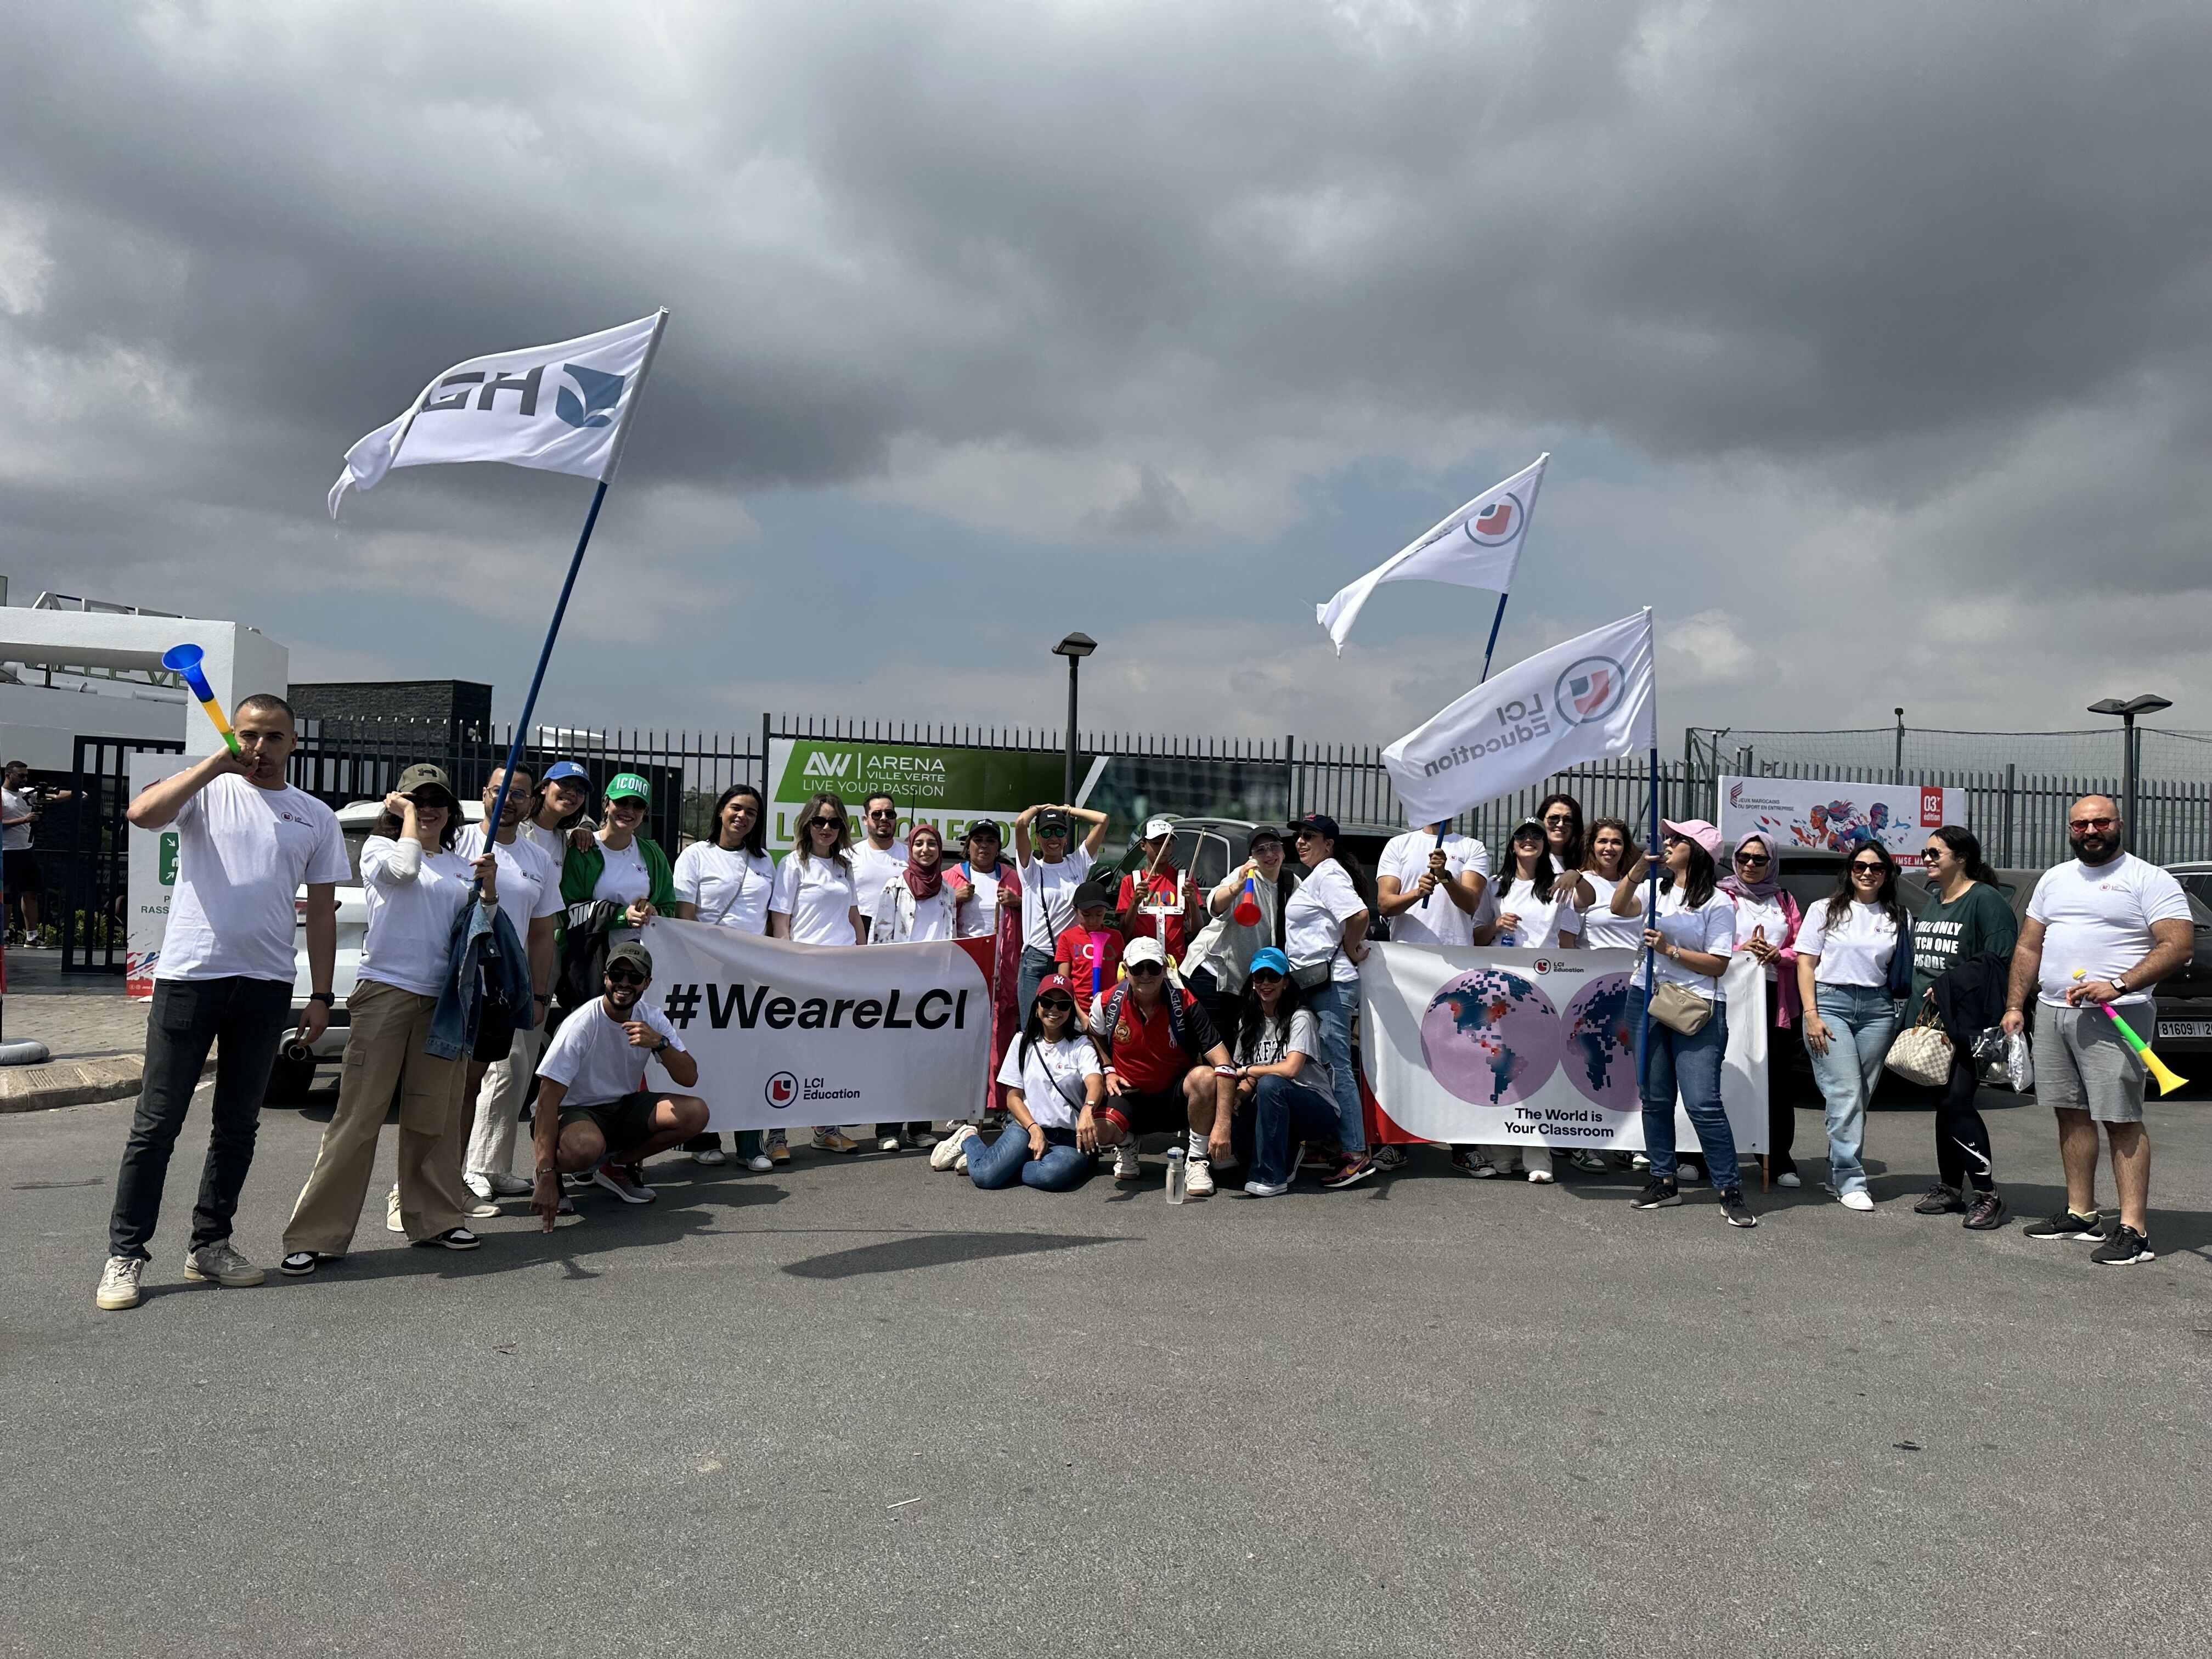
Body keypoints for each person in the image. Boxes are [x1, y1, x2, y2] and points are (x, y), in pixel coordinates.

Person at [96, 697, 347, 1312]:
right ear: (234, 737)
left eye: (273, 737)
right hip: (190, 978)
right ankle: (125, 1253)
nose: (260, 747)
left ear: (294, 744)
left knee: (237, 1126)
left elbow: (320, 912)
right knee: (156, 1124)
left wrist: (319, 993)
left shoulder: (314, 816)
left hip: (264, 986)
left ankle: (210, 1244)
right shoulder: (204, 791)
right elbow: (140, 813)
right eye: (249, 735)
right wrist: (215, 766)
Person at [279, 766, 500, 1275]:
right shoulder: (381, 849)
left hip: (442, 1002)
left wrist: (487, 889)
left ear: (450, 809)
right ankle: (316, 1235)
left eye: (437, 799)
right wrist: (401, 820)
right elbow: (402, 873)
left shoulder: (463, 863)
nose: (429, 807)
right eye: (417, 798)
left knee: (433, 1117)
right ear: (397, 801)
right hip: (385, 993)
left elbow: (480, 928)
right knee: (358, 1117)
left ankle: (437, 1219)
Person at [2004, 795, 2192, 1266]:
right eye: (2081, 824)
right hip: (2053, 1011)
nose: (2091, 830)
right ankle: (2082, 1213)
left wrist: (2119, 984)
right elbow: (2029, 946)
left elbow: (2179, 945)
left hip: (2117, 1016)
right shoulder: (2054, 879)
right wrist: (2015, 1005)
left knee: (2120, 1119)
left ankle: (2134, 1231)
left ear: (2119, 825)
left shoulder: (2148, 878)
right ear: (2070, 830)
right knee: (2070, 1113)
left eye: (2100, 822)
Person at [1614, 819, 1755, 1227]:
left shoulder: (1718, 902)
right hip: (1646, 997)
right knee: (1654, 1098)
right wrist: (1639, 867)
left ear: (1697, 851)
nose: (1668, 843)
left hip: (1696, 1006)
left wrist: (1670, 949)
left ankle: (1729, 1188)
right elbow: (1619, 907)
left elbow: (1719, 963)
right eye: (1669, 838)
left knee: (1702, 1103)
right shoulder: (1655, 889)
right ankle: (1664, 1180)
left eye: (1676, 839)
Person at [528, 940, 709, 1224]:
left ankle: (616, 1166)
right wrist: (547, 1173)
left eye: (634, 977)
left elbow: (689, 1078)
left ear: (646, 983)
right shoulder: (582, 1024)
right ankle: (552, 1172)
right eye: (617, 975)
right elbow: (547, 1102)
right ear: (606, 978)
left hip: (621, 1107)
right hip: (575, 1111)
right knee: (585, 1147)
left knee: (696, 1113)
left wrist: (660, 1044)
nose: (624, 984)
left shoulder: (652, 1019)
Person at [454, 765, 563, 1204]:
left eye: (519, 794)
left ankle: (472, 1174)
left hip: (504, 989)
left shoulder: (537, 858)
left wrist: (537, 995)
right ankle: (432, 1184)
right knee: (452, 1089)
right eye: (501, 792)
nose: (509, 801)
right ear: (485, 793)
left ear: (530, 802)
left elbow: (541, 933)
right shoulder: (456, 841)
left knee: (495, 1080)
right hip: (457, 984)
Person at [1910, 825, 2017, 1229]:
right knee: (1944, 1105)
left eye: (1936, 853)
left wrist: (1949, 986)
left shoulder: (1986, 901)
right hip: (1933, 1024)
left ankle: (1987, 1193)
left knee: (1958, 1102)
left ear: (1962, 858)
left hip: (1970, 1022)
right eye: (1925, 853)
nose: (1927, 859)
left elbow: (2000, 959)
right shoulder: (1936, 900)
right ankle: (1950, 1188)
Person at [1793, 839, 1905, 1212]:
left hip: (1877, 1008)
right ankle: (1850, 1179)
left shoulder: (1898, 916)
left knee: (1861, 1096)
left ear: (1887, 873)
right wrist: (1811, 1014)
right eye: (1860, 866)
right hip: (1831, 1003)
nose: (1868, 873)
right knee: (1845, 1092)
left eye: (1876, 867)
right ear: (1849, 871)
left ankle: (1835, 1168)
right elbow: (1805, 964)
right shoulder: (1824, 910)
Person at [1470, 818, 1581, 1181]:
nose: (1529, 841)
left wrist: (1576, 874)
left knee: (1537, 1072)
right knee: (1501, 1070)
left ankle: (1538, 1159)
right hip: (1501, 988)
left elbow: (1586, 908)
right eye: (1522, 836)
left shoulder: (1558, 884)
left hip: (1543, 989)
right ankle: (1500, 1155)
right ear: (1513, 843)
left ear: (1545, 844)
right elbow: (1476, 935)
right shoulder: (1494, 886)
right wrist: (1497, 926)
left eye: (1536, 836)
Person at [673, 783, 777, 1170]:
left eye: (751, 813)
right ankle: (704, 1137)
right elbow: (684, 917)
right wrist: (703, 962)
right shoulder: (695, 856)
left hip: (749, 974)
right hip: (704, 971)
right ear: (720, 811)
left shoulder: (765, 860)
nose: (742, 817)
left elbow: (768, 919)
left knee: (748, 1058)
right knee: (705, 1057)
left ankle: (750, 1145)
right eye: (736, 808)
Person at [1086, 936, 1240, 1194]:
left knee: (1205, 1076)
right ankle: (1127, 1144)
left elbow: (1224, 1063)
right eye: (1138, 968)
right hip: (1129, 1096)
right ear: (1125, 968)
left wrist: (1223, 1125)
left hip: (1174, 1099)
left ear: (1165, 968)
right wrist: (1108, 1068)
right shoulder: (1106, 1003)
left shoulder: (1186, 1002)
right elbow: (1095, 1035)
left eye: (1153, 968)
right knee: (1099, 1130)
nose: (1146, 975)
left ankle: (1196, 1160)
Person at [939, 974, 1104, 1191]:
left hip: (1068, 1138)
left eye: (1063, 1005)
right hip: (1027, 1128)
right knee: (985, 1176)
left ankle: (1000, 1163)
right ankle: (968, 1138)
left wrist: (1088, 1109)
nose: (1054, 1010)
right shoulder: (1022, 1042)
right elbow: (1013, 1097)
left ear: (1070, 1010)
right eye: (1047, 1002)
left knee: (1049, 1176)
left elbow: (1095, 1082)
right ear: (1037, 1007)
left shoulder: (1080, 1045)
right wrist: (1034, 1129)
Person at [769, 791, 867, 1155]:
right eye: (819, 821)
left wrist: (863, 960)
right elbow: (782, 923)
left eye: (834, 822)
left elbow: (854, 917)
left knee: (831, 1054)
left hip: (841, 974)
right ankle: (776, 1136)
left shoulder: (845, 866)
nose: (826, 828)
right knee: (788, 1053)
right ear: (807, 823)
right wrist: (790, 967)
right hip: (803, 973)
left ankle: (827, 1130)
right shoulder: (793, 864)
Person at [1282, 813, 1375, 1190]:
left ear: (1329, 844)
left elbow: (1359, 915)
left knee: (1336, 1066)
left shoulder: (1329, 873)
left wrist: (1350, 948)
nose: (1301, 842)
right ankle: (1338, 1142)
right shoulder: (1320, 875)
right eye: (1299, 837)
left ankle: (1355, 1152)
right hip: (1318, 983)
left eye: (1310, 836)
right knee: (1324, 1065)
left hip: (1332, 983)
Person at [1719, 831, 1805, 1188]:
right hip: (1728, 997)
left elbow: (1803, 948)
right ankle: (1702, 1154)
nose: (1750, 865)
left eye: (1759, 859)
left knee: (1776, 1081)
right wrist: (1742, 947)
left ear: (1772, 863)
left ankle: (1777, 1156)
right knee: (1720, 1074)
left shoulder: (1784, 899)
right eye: (1743, 858)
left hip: (1775, 998)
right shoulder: (1720, 897)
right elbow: (1707, 939)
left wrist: (1778, 955)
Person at [868, 820, 956, 1149]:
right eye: (919, 844)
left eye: (931, 844)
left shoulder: (946, 889)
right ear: (910, 848)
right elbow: (879, 936)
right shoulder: (895, 886)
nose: (925, 850)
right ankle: (888, 1130)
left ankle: (920, 1127)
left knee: (926, 1057)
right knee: (896, 1057)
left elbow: (950, 934)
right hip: (901, 984)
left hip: (935, 985)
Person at [1226, 948, 1338, 1197]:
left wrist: (1245, 1070)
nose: (1266, 983)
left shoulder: (1301, 1017)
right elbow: (1251, 1080)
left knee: (1272, 1085)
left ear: (1286, 982)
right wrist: (1238, 1098)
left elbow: (1290, 1069)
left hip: (1316, 1108)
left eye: (1273, 977)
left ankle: (1271, 1176)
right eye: (1259, 977)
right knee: (1235, 1102)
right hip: (1271, 1100)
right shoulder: (1249, 1021)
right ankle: (1286, 1152)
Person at [1182, 825, 1300, 1037]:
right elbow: (1215, 905)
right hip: (1214, 973)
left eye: (1274, 847)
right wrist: (1237, 886)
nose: (1270, 854)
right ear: (1252, 857)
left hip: (1251, 980)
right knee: (1219, 1043)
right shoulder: (1245, 876)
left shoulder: (1291, 882)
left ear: (1283, 851)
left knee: (1240, 1043)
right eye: (1261, 850)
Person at [949, 819, 1023, 1130]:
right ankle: (962, 1103)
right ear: (968, 845)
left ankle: (1000, 1106)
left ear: (998, 847)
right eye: (977, 840)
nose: (983, 846)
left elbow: (1034, 912)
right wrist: (954, 899)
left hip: (1001, 969)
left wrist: (1018, 903)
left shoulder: (1012, 878)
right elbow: (931, 915)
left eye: (991, 841)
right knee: (965, 1038)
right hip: (965, 968)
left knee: (1001, 1039)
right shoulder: (950, 878)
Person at [1012, 802, 1109, 1020]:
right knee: (1032, 1026)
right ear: (1037, 838)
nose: (1053, 838)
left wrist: (1066, 810)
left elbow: (1102, 819)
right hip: (1036, 958)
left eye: (1059, 831)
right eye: (1046, 832)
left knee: (1066, 1026)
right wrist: (1038, 809)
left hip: (1069, 958)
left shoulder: (1078, 863)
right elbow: (1020, 823)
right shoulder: (1031, 870)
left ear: (1066, 837)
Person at [561, 772, 675, 944]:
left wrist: (654, 912)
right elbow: (567, 912)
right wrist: (622, 915)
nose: (629, 810)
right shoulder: (583, 849)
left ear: (645, 813)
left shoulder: (654, 854)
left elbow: (669, 907)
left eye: (638, 806)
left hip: (640, 959)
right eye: (621, 802)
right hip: (592, 958)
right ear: (606, 804)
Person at [1375, 819, 1489, 949]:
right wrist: (1418, 893)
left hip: (1456, 954)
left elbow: (1471, 904)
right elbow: (1384, 906)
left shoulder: (1473, 847)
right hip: (1406, 956)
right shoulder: (1398, 845)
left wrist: (1445, 877)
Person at [3, 759, 73, 944]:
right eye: (21, 776)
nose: (25, 779)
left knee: (31, 892)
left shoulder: (28, 794)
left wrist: (76, 792)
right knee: (7, 894)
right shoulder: (2, 796)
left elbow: (55, 796)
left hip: (26, 850)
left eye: (27, 776)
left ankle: (31, 936)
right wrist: (24, 820)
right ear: (8, 775)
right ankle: (4, 935)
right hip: (7, 851)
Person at [1118, 816, 1193, 964]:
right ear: (1143, 845)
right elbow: (1124, 934)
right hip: (1142, 964)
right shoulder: (1130, 882)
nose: (1163, 849)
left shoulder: (1184, 881)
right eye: (1157, 844)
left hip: (1176, 964)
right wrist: (1135, 903)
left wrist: (1193, 903)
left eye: (1168, 844)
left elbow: (1197, 930)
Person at [1053, 880, 1126, 1018]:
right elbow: (1064, 981)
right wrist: (1081, 1015)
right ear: (1076, 911)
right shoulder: (1068, 937)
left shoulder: (1115, 937)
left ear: (1106, 910)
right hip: (1078, 1009)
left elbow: (1122, 975)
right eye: (1086, 915)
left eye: (1099, 914)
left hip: (1109, 1007)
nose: (1093, 920)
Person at [849, 792, 910, 943]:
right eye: (877, 814)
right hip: (858, 942)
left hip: (901, 943)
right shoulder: (847, 856)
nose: (884, 818)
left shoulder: (911, 856)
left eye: (889, 814)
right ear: (865, 819)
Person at [521, 759, 596, 869]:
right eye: (565, 783)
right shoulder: (515, 830)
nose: (572, 793)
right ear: (544, 788)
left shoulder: (567, 842)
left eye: (580, 790)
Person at [1534, 792, 1586, 875]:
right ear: (1541, 821)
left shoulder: (1585, 865)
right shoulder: (1529, 860)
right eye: (1553, 818)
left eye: (1568, 820)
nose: (1560, 824)